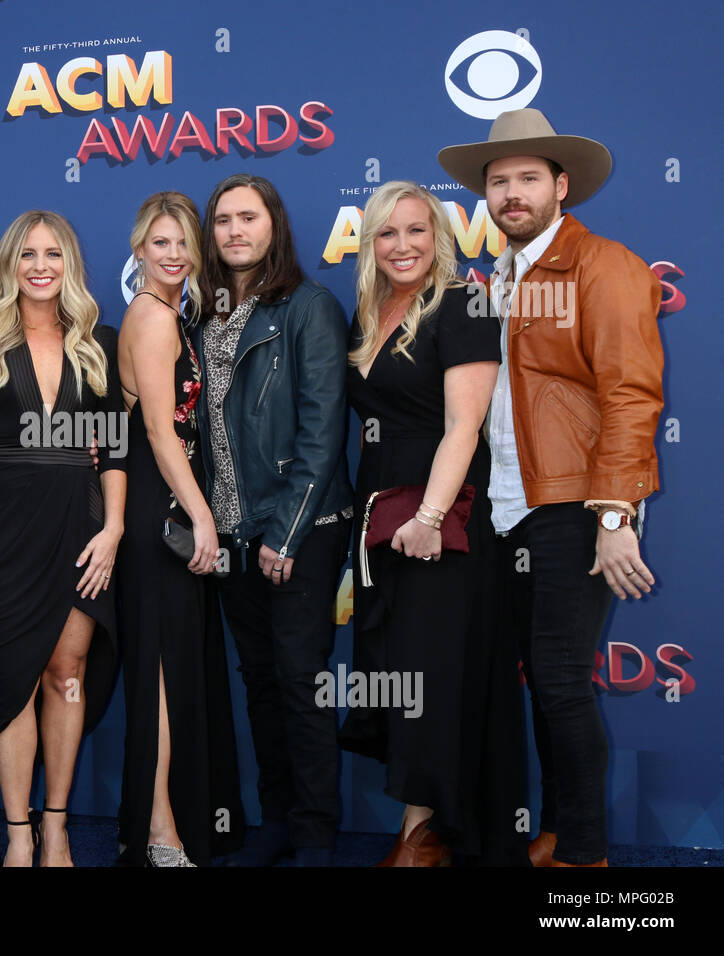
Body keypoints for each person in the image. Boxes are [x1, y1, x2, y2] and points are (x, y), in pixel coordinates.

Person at [438, 109, 665, 868]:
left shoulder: (604, 266)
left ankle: (586, 859)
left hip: (572, 505)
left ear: (560, 186)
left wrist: (614, 511)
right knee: (543, 680)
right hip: (511, 509)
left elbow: (630, 394)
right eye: (499, 182)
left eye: (528, 178)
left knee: (564, 682)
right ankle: (564, 831)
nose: (512, 193)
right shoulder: (498, 278)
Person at [338, 181, 527, 866]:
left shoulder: (463, 303)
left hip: (442, 521)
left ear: (439, 237)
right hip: (382, 516)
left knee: (434, 674)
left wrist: (428, 516)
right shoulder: (370, 311)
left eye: (417, 231)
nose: (402, 245)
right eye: (388, 233)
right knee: (397, 667)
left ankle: (425, 836)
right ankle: (429, 829)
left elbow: (464, 426)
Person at [0, 210, 126, 867]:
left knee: (66, 671)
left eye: (52, 253)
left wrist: (114, 528)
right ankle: (18, 833)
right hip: (1, 528)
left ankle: (58, 826)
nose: (40, 266)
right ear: (10, 265)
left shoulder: (99, 339)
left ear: (69, 263)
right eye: (27, 254)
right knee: (13, 678)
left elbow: (119, 448)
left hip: (79, 523)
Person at [195, 174, 352, 867]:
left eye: (247, 217)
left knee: (299, 678)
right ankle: (279, 818)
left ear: (273, 225)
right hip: (230, 531)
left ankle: (317, 833)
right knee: (258, 680)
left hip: (300, 529)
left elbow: (322, 433)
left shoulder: (308, 307)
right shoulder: (203, 311)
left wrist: (283, 533)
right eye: (223, 219)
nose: (234, 230)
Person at [115, 191, 244, 867]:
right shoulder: (153, 317)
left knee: (173, 665)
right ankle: (158, 832)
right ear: (139, 250)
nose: (172, 255)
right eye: (159, 243)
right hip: (158, 507)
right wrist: (201, 517)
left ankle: (172, 822)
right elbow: (163, 433)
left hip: (167, 499)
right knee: (163, 671)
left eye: (182, 243)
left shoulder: (172, 314)